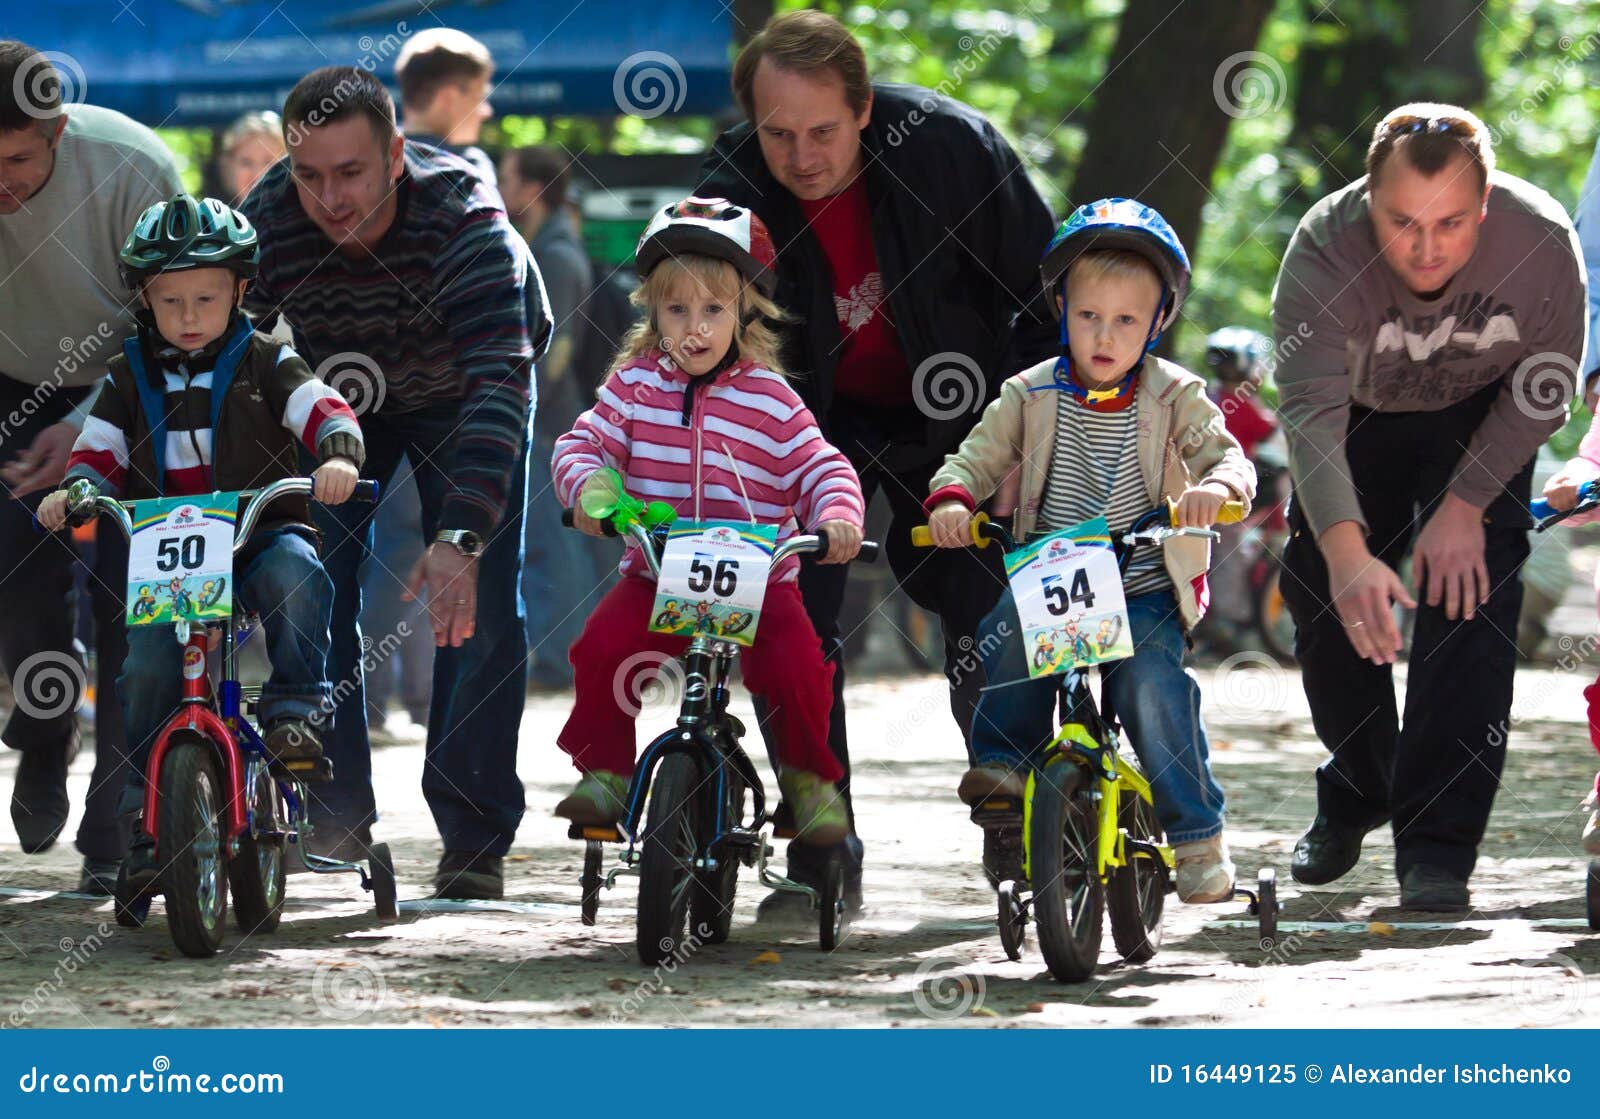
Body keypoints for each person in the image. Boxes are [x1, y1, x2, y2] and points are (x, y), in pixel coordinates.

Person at [695, 10, 1057, 907]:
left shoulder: (953, 149)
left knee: (985, 598)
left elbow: (1049, 298)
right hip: (815, 426)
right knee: (785, 612)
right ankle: (822, 844)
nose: (802, 156)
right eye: (777, 133)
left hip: (967, 415)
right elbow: (687, 329)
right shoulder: (731, 190)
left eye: (822, 130)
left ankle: (1019, 816)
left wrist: (1024, 441)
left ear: (863, 109)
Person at [239, 66, 548, 900]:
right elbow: (229, 367)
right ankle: (335, 818)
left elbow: (499, 385)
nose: (331, 198)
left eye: (352, 174)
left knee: (471, 600)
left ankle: (474, 834)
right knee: (312, 580)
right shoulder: (267, 220)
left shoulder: (466, 220)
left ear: (396, 156)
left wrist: (457, 538)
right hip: (342, 394)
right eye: (310, 175)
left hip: (466, 385)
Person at [1272, 104, 1586, 910]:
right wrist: (1346, 556)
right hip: (1359, 415)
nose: (1425, 247)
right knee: (1321, 588)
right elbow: (1308, 411)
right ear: (1366, 197)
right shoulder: (1323, 245)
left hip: (1482, 418)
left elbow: (1547, 385)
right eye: (1401, 221)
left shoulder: (1542, 240)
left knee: (1471, 604)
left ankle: (1437, 852)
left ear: (1484, 207)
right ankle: (1360, 783)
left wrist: (1468, 504)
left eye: (1450, 223)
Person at [924, 199, 1255, 900]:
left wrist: (1216, 486)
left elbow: (1227, 459)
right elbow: (974, 460)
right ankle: (1003, 768)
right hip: (1054, 579)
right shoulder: (1029, 392)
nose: (1104, 334)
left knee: (1152, 688)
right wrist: (954, 499)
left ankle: (1196, 838)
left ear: (1159, 320)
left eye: (1127, 319)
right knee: (1003, 633)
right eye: (1087, 316)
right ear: (1060, 310)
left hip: (1139, 583)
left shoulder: (1176, 394)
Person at [36, 194, 364, 890]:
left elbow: (324, 407)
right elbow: (99, 449)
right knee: (148, 665)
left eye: (207, 298)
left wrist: (336, 453)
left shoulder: (268, 357)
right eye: (171, 300)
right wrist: (77, 489)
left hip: (258, 533)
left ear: (240, 291)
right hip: (170, 550)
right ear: (145, 300)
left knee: (299, 573)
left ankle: (295, 711)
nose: (188, 317)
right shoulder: (129, 374)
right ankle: (146, 807)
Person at [550, 196, 864, 844]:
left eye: (713, 309)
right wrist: (593, 489)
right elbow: (584, 445)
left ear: (746, 309)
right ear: (653, 313)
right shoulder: (635, 387)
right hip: (659, 568)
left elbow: (821, 466)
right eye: (677, 309)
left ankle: (808, 778)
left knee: (796, 665)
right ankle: (605, 770)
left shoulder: (771, 399)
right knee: (603, 647)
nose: (694, 328)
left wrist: (835, 515)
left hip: (757, 575)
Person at [0, 41, 184, 893]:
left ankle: (116, 833)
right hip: (8, 377)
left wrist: (83, 425)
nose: (2, 184)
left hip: (134, 381)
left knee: (132, 603)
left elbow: (185, 315)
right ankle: (44, 734)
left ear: (58, 132)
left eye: (16, 161)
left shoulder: (132, 167)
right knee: (22, 581)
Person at [500, 145, 602, 688]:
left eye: (508, 177)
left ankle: (564, 657)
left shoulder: (556, 254)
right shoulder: (552, 245)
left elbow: (555, 352)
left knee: (553, 540)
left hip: (547, 424)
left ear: (534, 188)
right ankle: (565, 652)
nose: (500, 188)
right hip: (546, 421)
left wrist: (522, 408)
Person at [1196, 326, 1279, 652]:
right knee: (1229, 556)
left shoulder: (1210, 396)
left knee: (1212, 555)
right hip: (1228, 495)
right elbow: (1273, 432)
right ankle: (1228, 624)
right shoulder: (1243, 403)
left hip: (1201, 490)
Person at [394, 28, 496, 185]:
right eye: (480, 97)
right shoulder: (471, 171)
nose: (486, 112)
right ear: (449, 98)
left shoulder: (371, 159)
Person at [218, 111, 286, 206]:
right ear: (230, 167)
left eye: (268, 162)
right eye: (246, 163)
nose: (258, 175)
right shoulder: (216, 220)